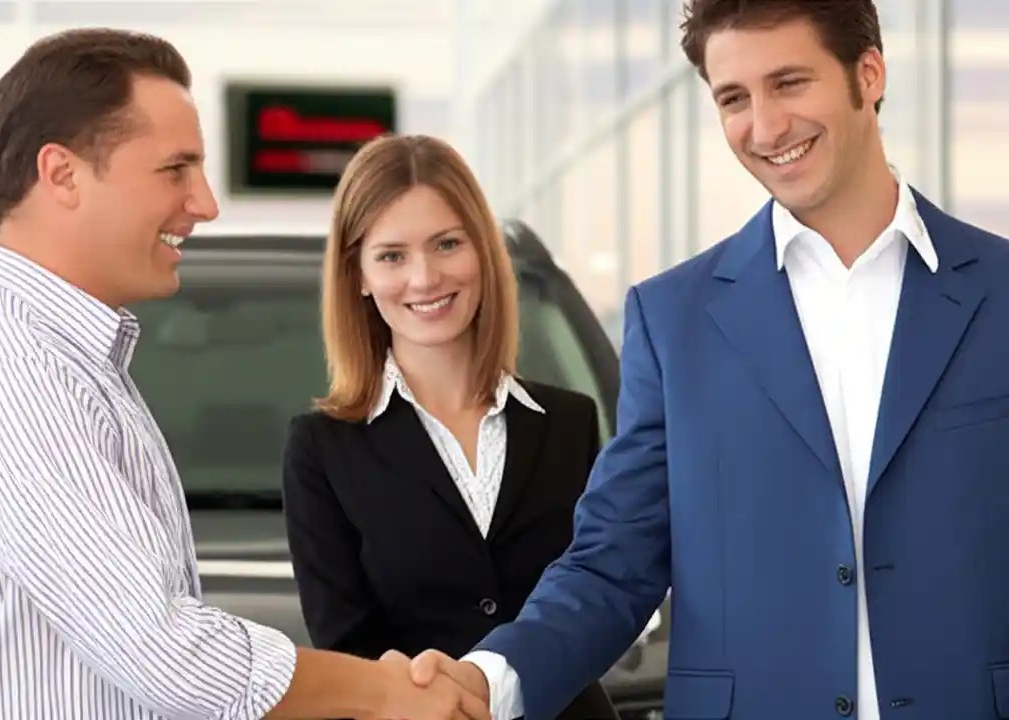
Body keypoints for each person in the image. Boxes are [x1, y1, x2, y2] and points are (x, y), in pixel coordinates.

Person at [405, 1, 1009, 719]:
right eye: (733, 98)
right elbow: (613, 563)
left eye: (789, 83)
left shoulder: (998, 292)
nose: (765, 126)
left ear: (869, 74)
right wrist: (489, 678)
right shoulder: (674, 319)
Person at [0, 28, 489, 720]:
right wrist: (383, 693)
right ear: (62, 174)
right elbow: (169, 656)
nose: (205, 202)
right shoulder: (8, 376)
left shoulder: (56, 358)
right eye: (176, 169)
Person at [279, 134, 619, 720]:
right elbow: (347, 647)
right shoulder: (322, 448)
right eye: (392, 255)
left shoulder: (569, 423)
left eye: (446, 244)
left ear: (482, 252)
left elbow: (596, 600)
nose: (425, 277)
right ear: (357, 274)